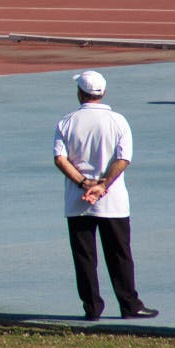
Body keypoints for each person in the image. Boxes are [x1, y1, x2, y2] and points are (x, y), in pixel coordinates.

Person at [53, 70, 158, 321]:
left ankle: (92, 308)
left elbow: (60, 158)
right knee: (120, 254)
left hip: (77, 202)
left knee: (84, 257)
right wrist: (102, 186)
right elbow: (123, 159)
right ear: (103, 93)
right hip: (113, 202)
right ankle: (129, 304)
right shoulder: (118, 121)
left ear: (80, 94)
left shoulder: (66, 122)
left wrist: (83, 183)